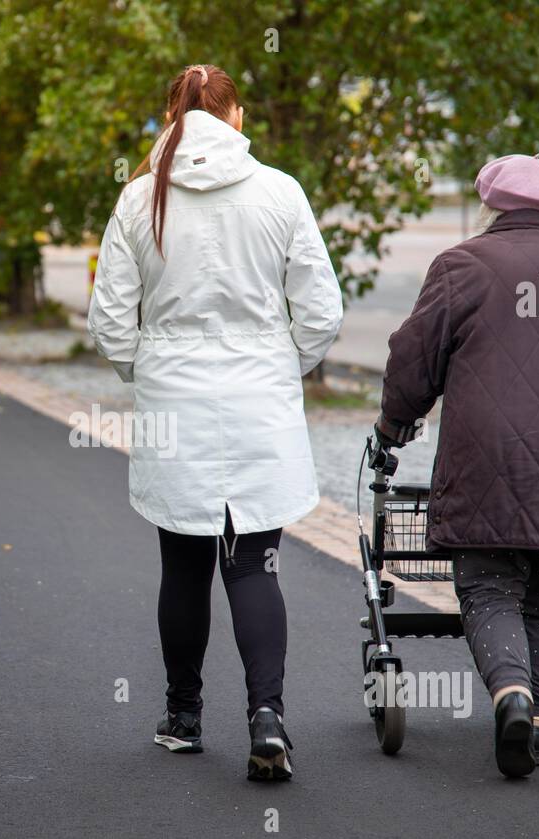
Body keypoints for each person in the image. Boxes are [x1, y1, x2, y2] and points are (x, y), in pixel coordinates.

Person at [88, 64, 343, 781]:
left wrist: (148, 374)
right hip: (259, 401)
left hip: (177, 406)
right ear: (236, 116)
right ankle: (267, 716)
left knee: (185, 564)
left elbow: (110, 320)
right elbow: (320, 312)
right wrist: (280, 369)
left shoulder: (141, 199)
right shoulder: (280, 191)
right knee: (254, 563)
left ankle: (184, 716)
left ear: (169, 117)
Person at [373, 154, 539, 778]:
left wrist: (395, 424)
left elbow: (412, 363)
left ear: (492, 206)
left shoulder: (461, 266)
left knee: (489, 584)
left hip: (483, 460)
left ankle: (512, 697)